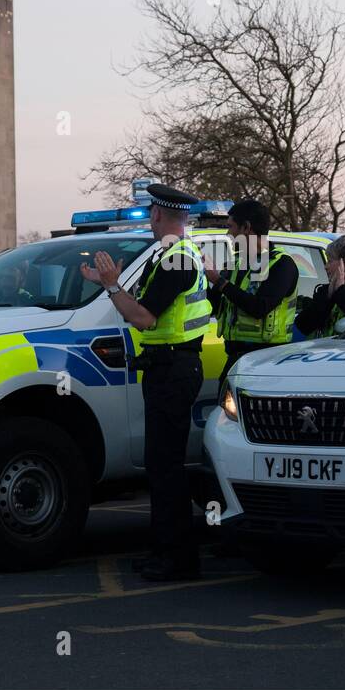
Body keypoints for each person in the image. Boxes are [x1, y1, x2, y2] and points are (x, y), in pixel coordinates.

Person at [81, 184, 211, 582]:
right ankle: (167, 553)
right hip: (168, 369)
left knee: (166, 466)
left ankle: (177, 559)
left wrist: (111, 285)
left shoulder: (176, 259)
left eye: (152, 212)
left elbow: (143, 318)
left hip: (173, 370)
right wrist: (111, 284)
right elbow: (141, 304)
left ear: (157, 215)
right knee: (161, 465)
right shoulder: (171, 255)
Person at [205, 199, 299, 385]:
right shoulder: (235, 263)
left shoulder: (282, 264)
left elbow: (260, 307)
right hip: (235, 359)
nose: (228, 233)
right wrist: (209, 282)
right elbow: (214, 308)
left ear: (246, 227)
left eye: (231, 227)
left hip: (267, 360)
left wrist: (220, 282)